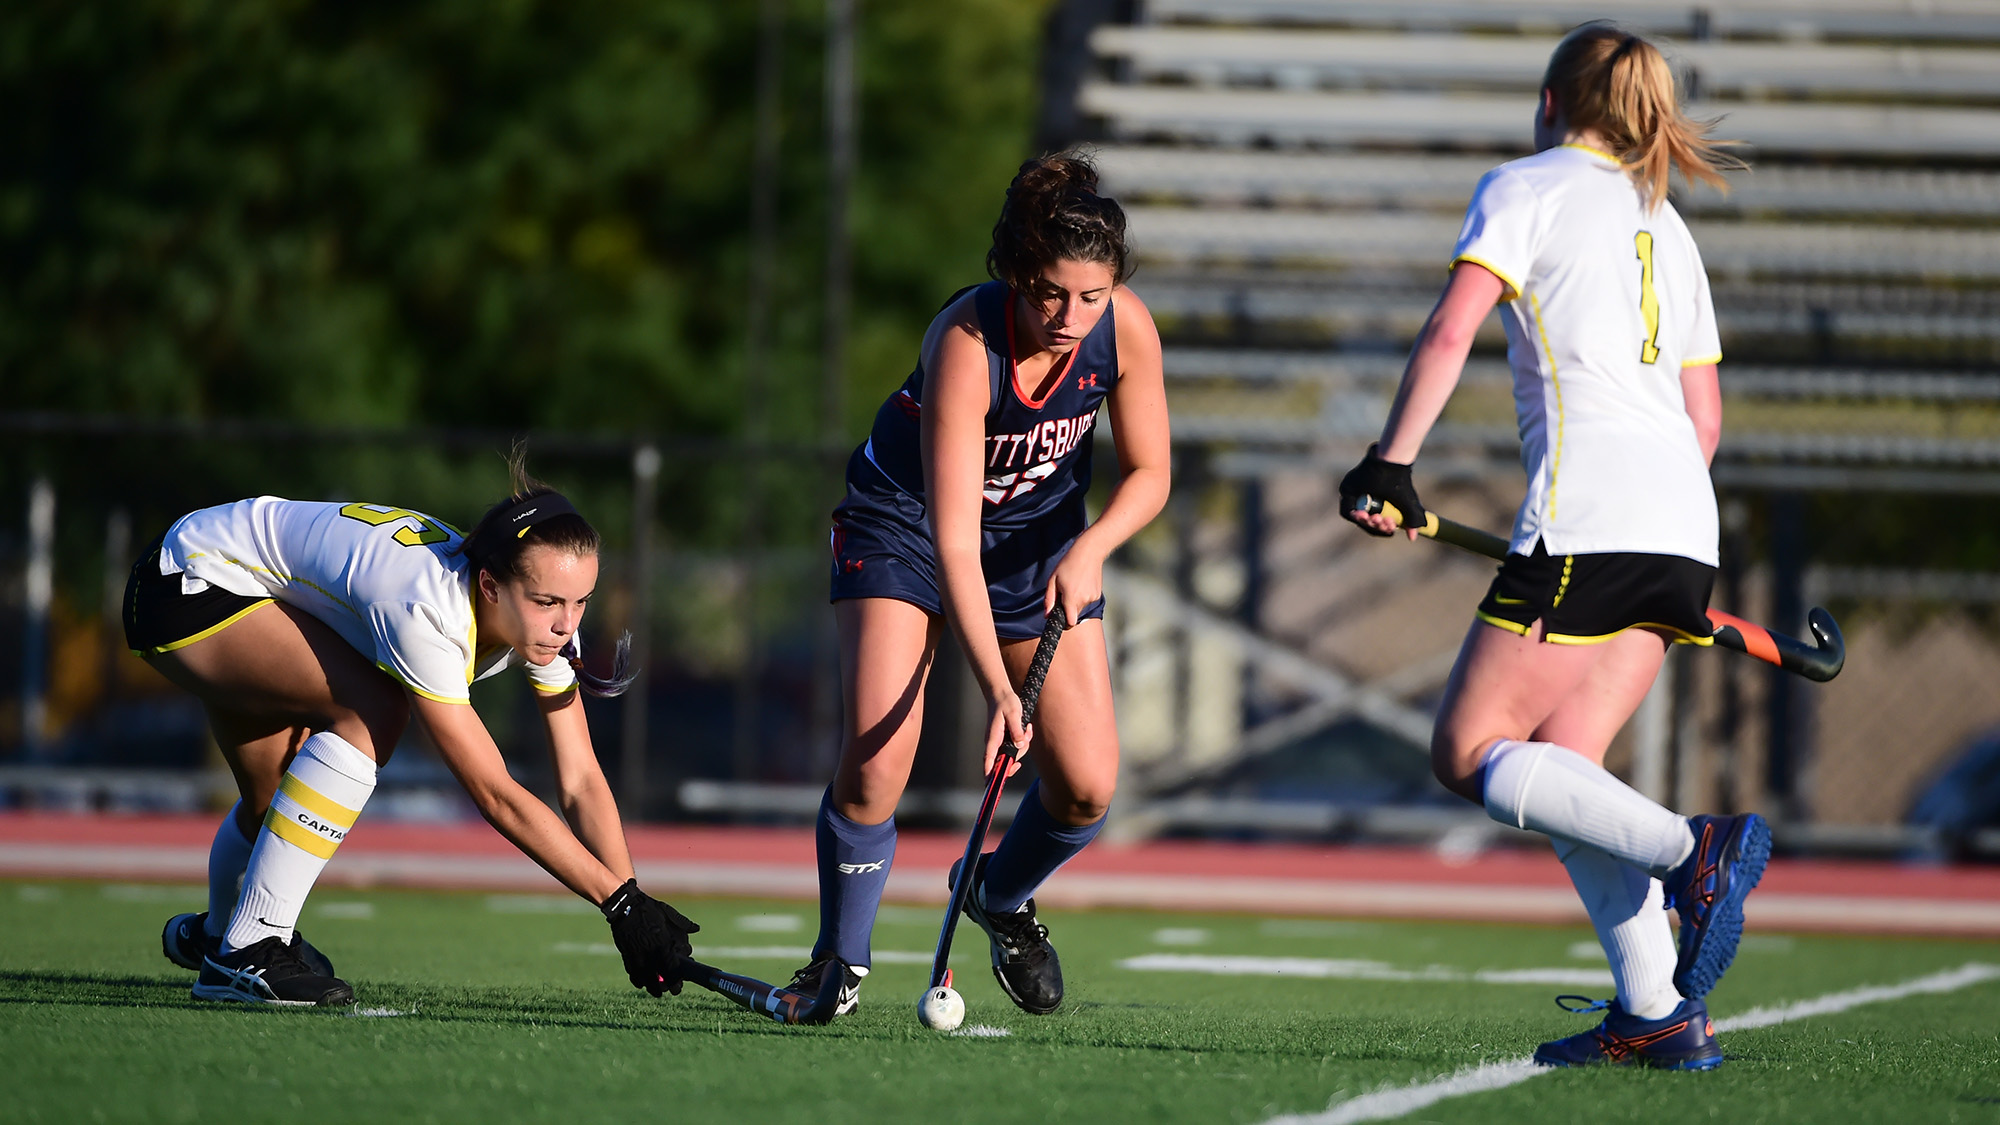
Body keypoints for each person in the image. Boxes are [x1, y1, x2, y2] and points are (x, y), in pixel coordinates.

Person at [1338, 24, 1763, 1070]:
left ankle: (1690, 852)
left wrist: (1388, 464)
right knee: (1561, 769)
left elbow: (1449, 330)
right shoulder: (1664, 222)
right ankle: (1657, 1012)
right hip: (1680, 522)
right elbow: (1702, 421)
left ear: (1546, 102)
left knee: (1467, 750)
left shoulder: (1523, 186)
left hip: (1588, 518)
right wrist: (1662, 532)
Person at [790, 151, 1171, 1020]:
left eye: (1091, 296)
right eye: (1048, 293)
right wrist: (1001, 690)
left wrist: (1094, 546)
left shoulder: (1128, 329)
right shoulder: (967, 343)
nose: (1069, 316)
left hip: (1041, 545)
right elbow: (955, 540)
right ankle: (838, 964)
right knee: (880, 759)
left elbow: (1151, 472)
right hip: (909, 530)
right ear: (1013, 273)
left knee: (1086, 787)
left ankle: (997, 893)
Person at [132, 454, 700, 1006]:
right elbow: (495, 794)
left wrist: (635, 907)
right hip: (189, 583)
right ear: (491, 587)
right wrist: (617, 904)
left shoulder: (544, 623)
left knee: (273, 804)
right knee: (373, 710)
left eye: (582, 602)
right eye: (549, 601)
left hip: (231, 575)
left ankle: (220, 937)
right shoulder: (426, 608)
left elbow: (579, 780)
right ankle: (248, 947)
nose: (566, 624)